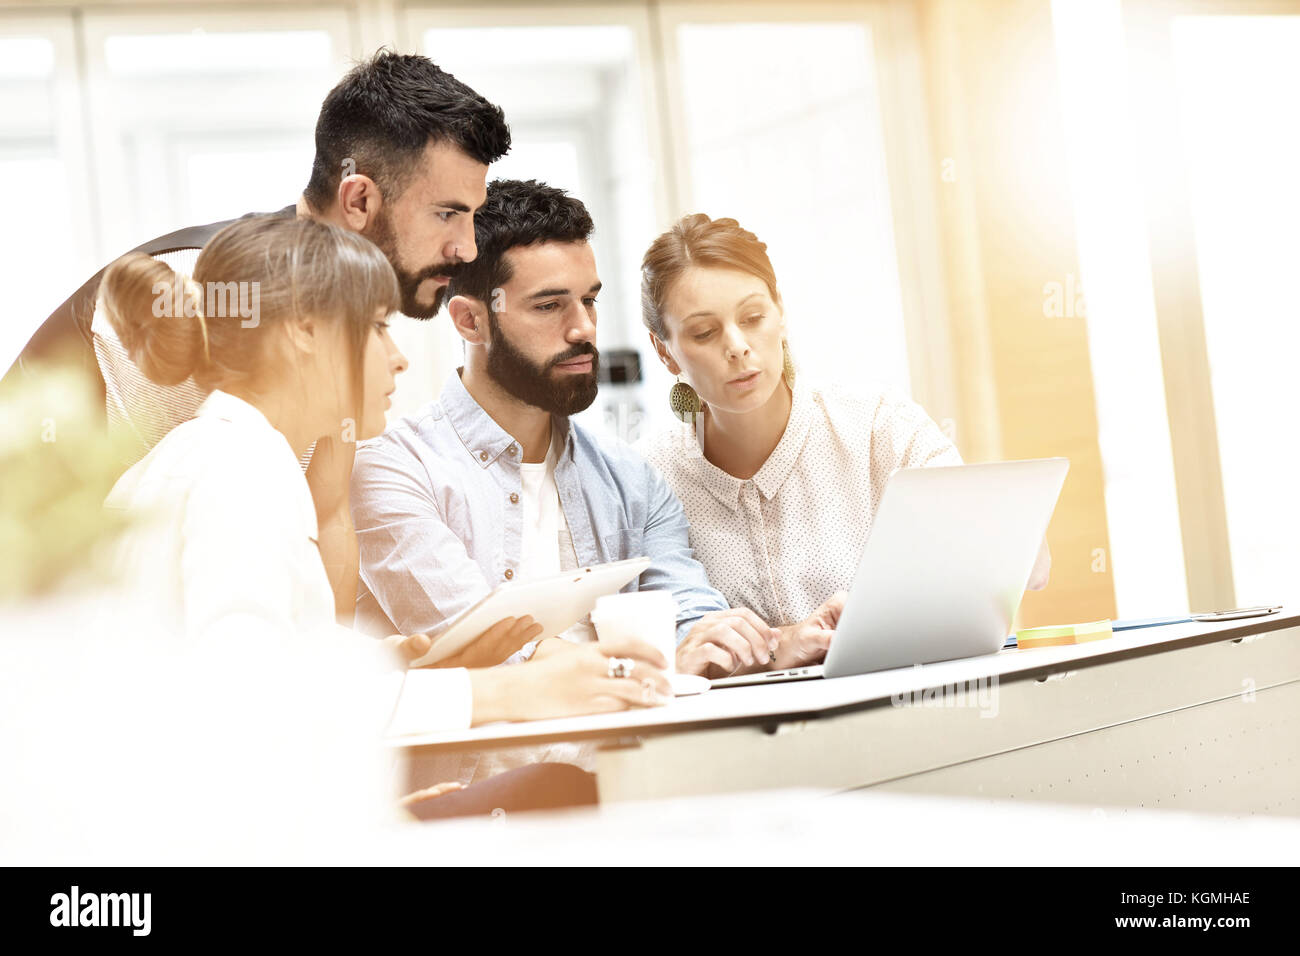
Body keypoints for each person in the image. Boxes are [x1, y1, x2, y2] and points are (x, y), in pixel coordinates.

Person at [98, 215, 671, 813]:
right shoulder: (241, 470)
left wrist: (392, 664)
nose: (398, 359)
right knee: (564, 794)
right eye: (377, 328)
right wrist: (503, 691)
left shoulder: (211, 454)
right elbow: (254, 704)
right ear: (303, 332)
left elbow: (249, 680)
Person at [3, 50, 513, 622]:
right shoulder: (209, 299)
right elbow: (195, 553)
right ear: (359, 199)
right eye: (448, 214)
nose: (467, 248)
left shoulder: (331, 309)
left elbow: (327, 516)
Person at [349, 181, 833, 783]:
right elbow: (489, 640)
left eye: (591, 301)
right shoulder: (393, 471)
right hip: (466, 822)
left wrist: (755, 646)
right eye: (549, 306)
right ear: (471, 320)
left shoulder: (632, 479)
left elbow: (687, 614)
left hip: (633, 796)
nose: (583, 330)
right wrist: (652, 670)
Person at [640, 213, 1052, 655]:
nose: (737, 345)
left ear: (780, 313)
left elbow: (1027, 564)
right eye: (704, 332)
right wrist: (779, 646)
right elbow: (662, 642)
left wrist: (1005, 541)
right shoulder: (650, 474)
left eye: (754, 316)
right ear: (665, 352)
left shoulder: (877, 423)